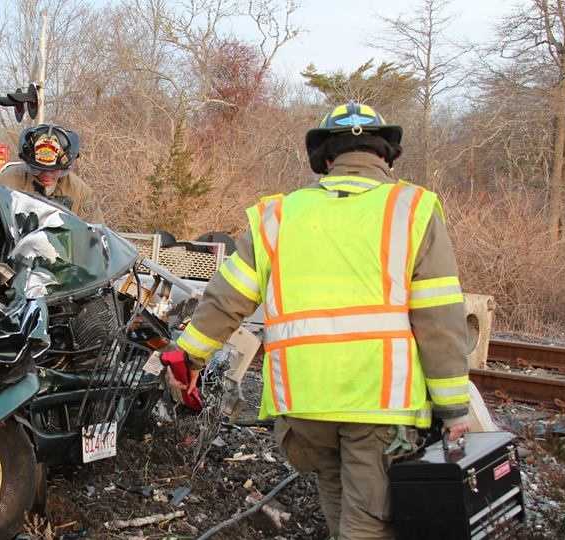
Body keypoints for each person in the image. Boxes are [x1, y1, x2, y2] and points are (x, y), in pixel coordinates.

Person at [167, 102, 470, 540]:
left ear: (326, 159)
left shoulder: (277, 215)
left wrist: (189, 356)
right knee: (368, 522)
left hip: (304, 401)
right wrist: (453, 407)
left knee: (334, 490)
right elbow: (438, 317)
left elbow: (226, 297)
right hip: (380, 401)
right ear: (385, 156)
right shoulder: (413, 209)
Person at [0, 124, 102, 222]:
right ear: (29, 164)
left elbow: (95, 234)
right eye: (38, 169)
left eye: (54, 170)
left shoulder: (81, 194)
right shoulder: (5, 182)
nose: (47, 174)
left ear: (65, 168)